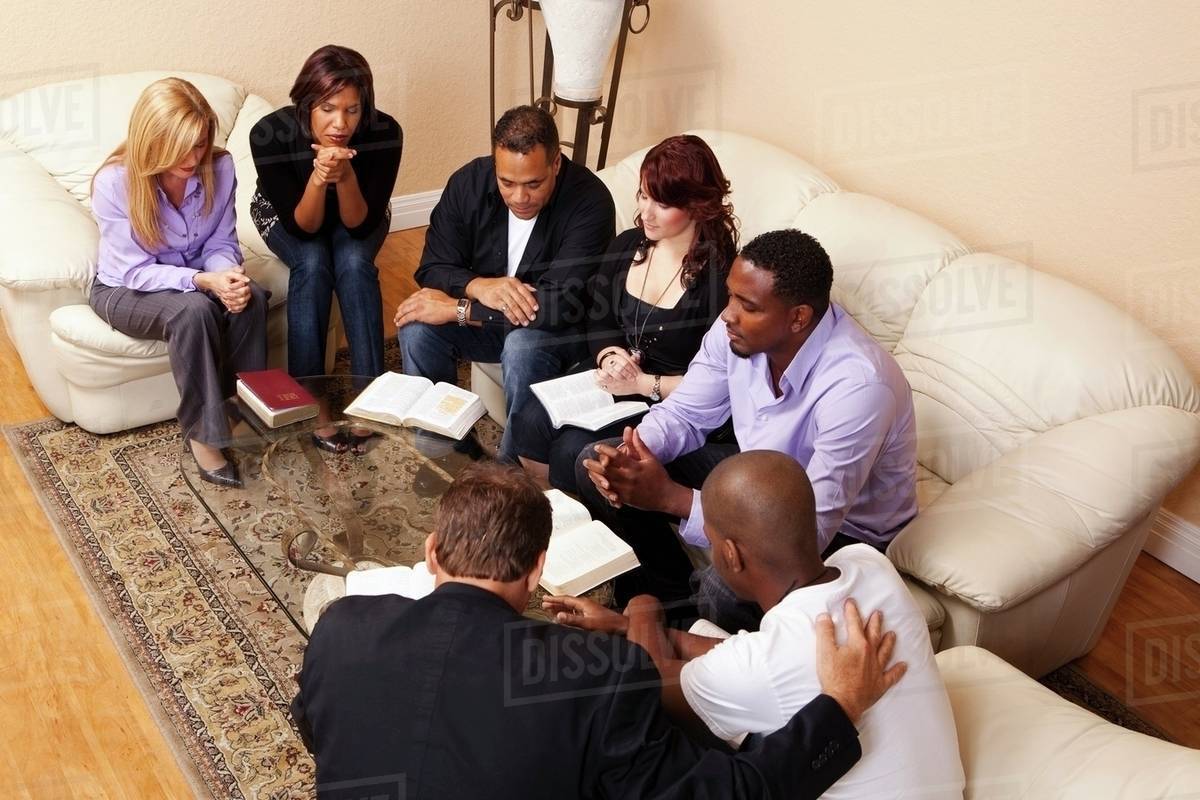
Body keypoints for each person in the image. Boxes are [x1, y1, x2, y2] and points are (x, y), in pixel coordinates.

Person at [291, 462, 908, 800]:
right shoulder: (595, 675)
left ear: (431, 552)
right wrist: (840, 705)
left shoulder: (341, 625)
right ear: (537, 569)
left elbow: (314, 723)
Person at [548, 451, 964, 799]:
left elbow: (650, 679)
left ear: (731, 554)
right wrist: (622, 625)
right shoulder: (868, 564)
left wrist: (641, 605)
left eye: (710, 540)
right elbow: (751, 657)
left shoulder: (762, 667)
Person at [577, 229, 918, 630]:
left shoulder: (859, 386)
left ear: (798, 317)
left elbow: (809, 531)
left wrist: (672, 498)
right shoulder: (734, 334)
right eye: (731, 296)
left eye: (748, 305)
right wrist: (638, 451)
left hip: (840, 527)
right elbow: (685, 413)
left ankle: (707, 651)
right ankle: (673, 610)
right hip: (761, 475)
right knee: (598, 462)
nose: (727, 315)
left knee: (725, 585)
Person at [511, 134, 735, 490]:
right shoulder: (628, 245)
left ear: (696, 205)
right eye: (644, 195)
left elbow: (719, 383)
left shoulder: (721, 281)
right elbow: (598, 316)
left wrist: (643, 383)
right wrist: (610, 354)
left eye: (661, 203)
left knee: (575, 449)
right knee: (529, 420)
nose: (646, 212)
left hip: (667, 396)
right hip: (615, 373)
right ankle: (550, 512)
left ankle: (584, 528)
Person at [393, 105, 615, 461]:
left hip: (560, 332)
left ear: (556, 163)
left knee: (522, 346)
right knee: (418, 329)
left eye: (534, 184)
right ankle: (444, 453)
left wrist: (459, 308)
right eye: (507, 182)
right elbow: (433, 267)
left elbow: (557, 307)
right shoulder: (468, 183)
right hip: (494, 320)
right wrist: (479, 286)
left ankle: (512, 478)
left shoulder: (590, 202)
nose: (519, 197)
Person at [89, 77, 268, 488]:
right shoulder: (114, 183)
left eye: (201, 143)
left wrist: (229, 274)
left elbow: (222, 240)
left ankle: (238, 410)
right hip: (125, 289)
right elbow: (134, 271)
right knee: (194, 310)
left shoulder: (219, 168)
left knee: (252, 296)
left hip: (194, 275)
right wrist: (204, 281)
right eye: (181, 146)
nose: (193, 156)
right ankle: (203, 433)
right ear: (153, 139)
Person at [250, 45, 401, 403]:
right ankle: (308, 399)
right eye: (328, 109)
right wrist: (319, 179)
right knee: (313, 262)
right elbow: (304, 230)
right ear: (306, 104)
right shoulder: (269, 134)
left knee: (353, 262)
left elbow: (359, 228)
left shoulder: (385, 133)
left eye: (352, 110)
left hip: (362, 211)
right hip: (286, 212)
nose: (341, 124)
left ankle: (371, 395)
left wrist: (346, 175)